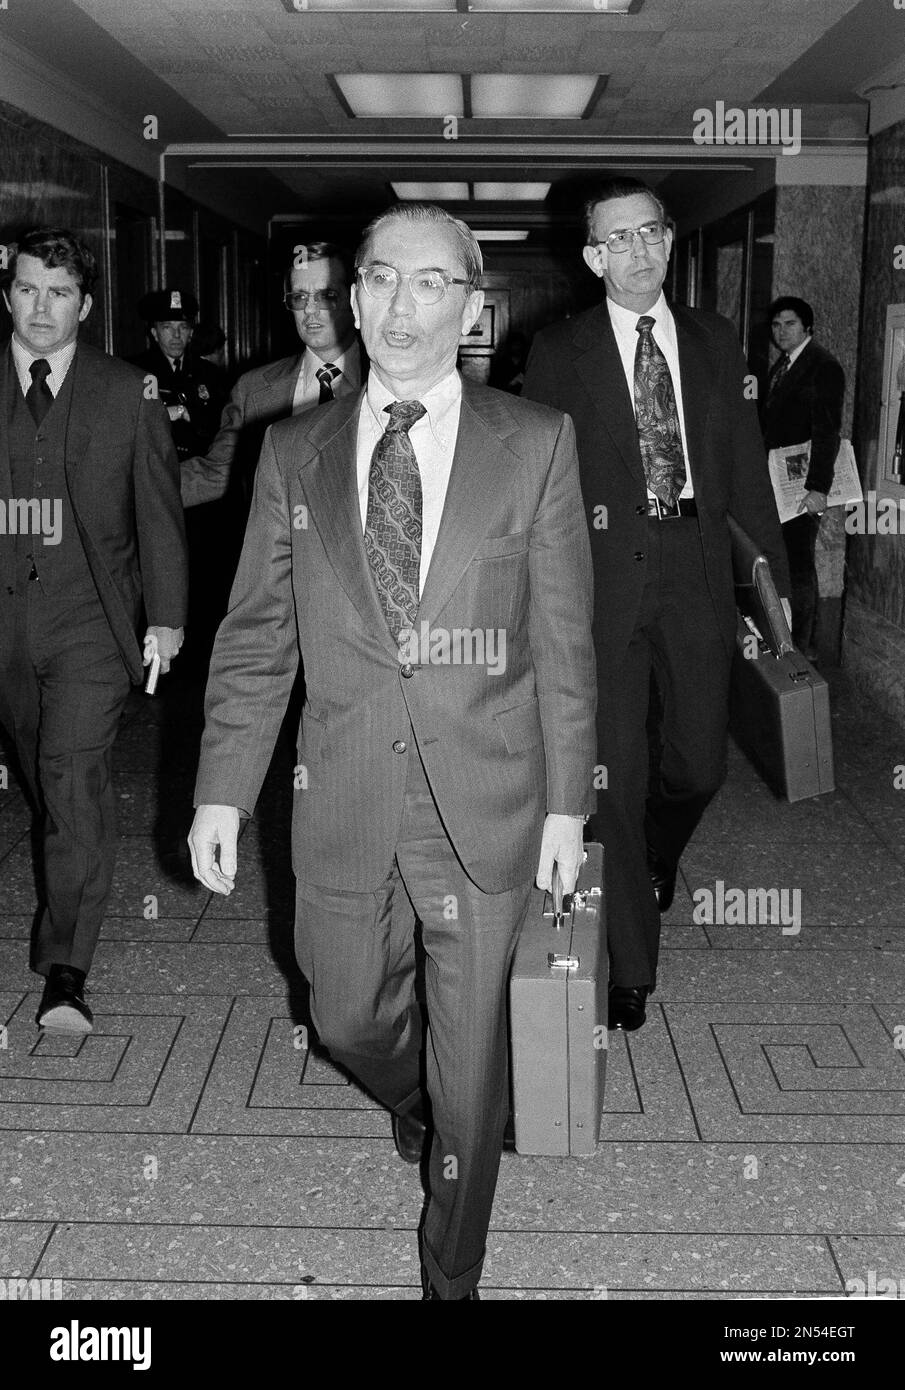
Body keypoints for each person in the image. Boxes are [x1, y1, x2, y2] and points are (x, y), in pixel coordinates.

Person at [187, 204, 596, 1300]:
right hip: (344, 787)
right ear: (349, 299)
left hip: (489, 803)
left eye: (431, 284)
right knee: (345, 1014)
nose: (402, 306)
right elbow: (258, 635)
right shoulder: (291, 452)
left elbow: (562, 639)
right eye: (380, 280)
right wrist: (221, 791)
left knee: (473, 1082)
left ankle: (449, 1273)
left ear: (470, 305)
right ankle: (414, 1095)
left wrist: (568, 807)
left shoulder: (535, 441)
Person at [522, 177, 790, 1033]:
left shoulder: (713, 342)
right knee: (612, 777)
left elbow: (746, 472)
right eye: (618, 239)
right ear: (593, 255)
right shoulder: (557, 352)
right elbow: (537, 483)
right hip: (597, 580)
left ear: (670, 241)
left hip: (696, 570)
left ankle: (654, 858)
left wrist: (775, 594)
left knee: (696, 766)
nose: (639, 252)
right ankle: (629, 964)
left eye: (652, 234)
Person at [0, 228, 188, 1033]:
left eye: (62, 293)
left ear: (86, 303)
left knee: (72, 781)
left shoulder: (127, 390)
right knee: (45, 782)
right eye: (30, 289)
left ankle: (66, 969)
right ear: (8, 293)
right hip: (5, 628)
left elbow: (159, 512)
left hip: (91, 629)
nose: (44, 308)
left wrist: (168, 618)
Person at [180, 242, 363, 509]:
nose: (310, 310)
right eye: (299, 297)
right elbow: (216, 474)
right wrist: (128, 490)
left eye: (326, 295)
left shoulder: (390, 381)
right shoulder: (253, 390)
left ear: (354, 298)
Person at [759, 296, 845, 660]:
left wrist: (817, 488)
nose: (781, 332)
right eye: (776, 325)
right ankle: (785, 636)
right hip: (779, 479)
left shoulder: (822, 366)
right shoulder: (786, 363)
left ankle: (802, 645)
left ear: (807, 327)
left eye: (789, 324)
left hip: (802, 485)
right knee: (785, 558)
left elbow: (828, 431)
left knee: (798, 562)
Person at [132, 287, 226, 461]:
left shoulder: (209, 373)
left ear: (190, 333)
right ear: (155, 333)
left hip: (199, 469)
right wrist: (172, 411)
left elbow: (222, 423)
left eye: (182, 327)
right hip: (154, 468)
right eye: (167, 327)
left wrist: (189, 414)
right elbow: (130, 424)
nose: (176, 335)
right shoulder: (136, 371)